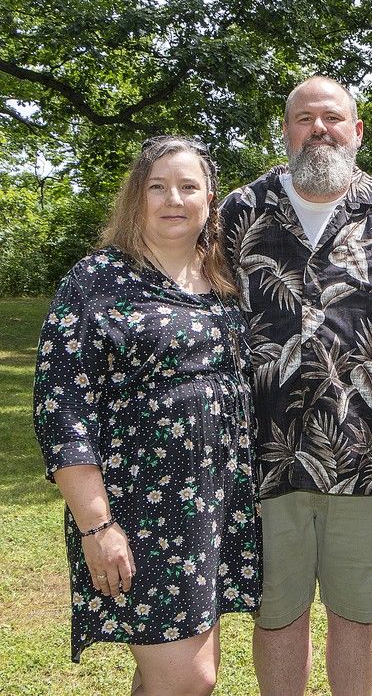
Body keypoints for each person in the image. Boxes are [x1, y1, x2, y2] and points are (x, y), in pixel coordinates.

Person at [220, 75, 372, 696]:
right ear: (287, 131)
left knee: (357, 615)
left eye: (333, 118)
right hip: (264, 458)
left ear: (357, 131)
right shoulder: (240, 211)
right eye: (305, 118)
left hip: (367, 459)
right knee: (276, 614)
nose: (320, 129)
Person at [34, 136, 260, 694]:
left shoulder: (223, 277)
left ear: (209, 198)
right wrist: (97, 526)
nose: (173, 199)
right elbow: (62, 408)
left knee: (172, 673)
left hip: (213, 504)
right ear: (137, 197)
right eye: (158, 187)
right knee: (189, 679)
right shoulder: (96, 280)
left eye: (188, 187)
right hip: (139, 510)